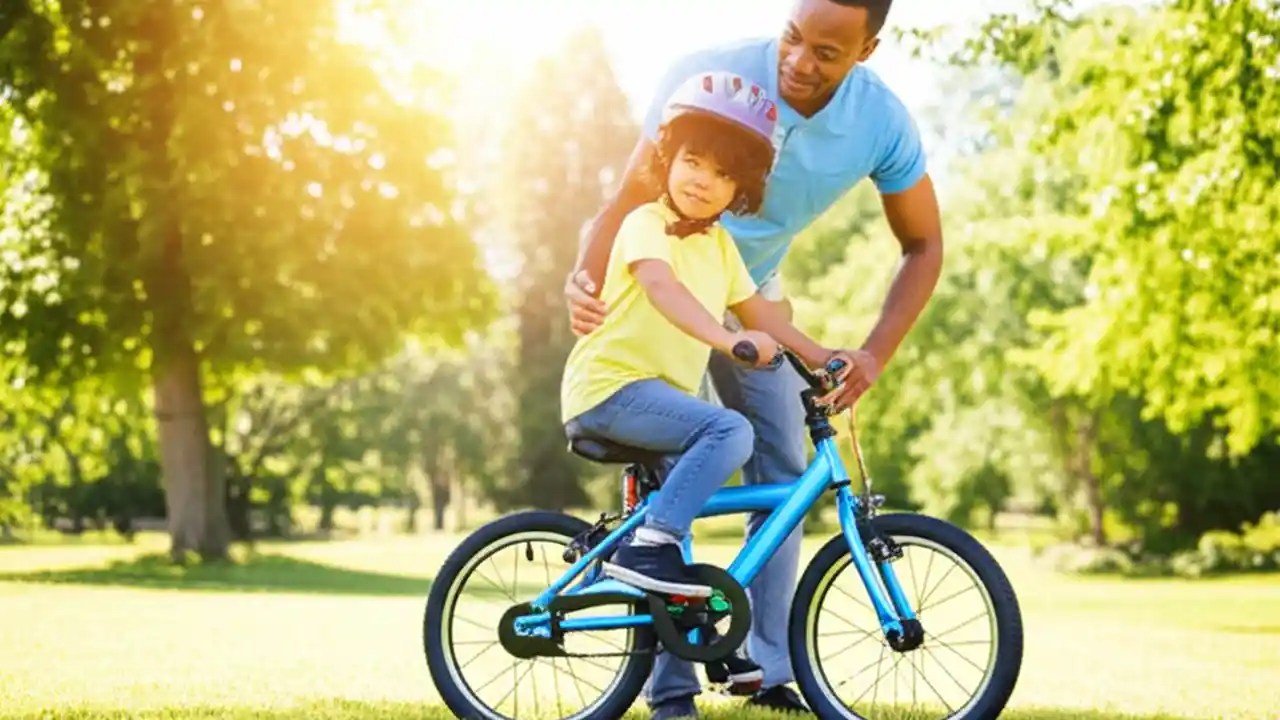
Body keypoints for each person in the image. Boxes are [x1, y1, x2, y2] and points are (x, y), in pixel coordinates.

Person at [565, 1, 944, 717]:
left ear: (868, 49)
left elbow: (924, 245)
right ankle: (666, 668)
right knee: (690, 462)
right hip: (662, 290)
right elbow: (629, 201)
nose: (799, 63)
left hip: (744, 285)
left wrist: (858, 355)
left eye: (827, 54)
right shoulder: (706, 78)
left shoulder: (882, 124)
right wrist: (584, 278)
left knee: (786, 473)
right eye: (792, 39)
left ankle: (761, 669)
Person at [560, 69, 854, 694]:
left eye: (723, 175)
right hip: (611, 388)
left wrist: (823, 354)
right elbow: (663, 290)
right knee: (730, 429)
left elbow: (762, 314)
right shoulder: (646, 222)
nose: (703, 180)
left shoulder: (721, 249)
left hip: (656, 403)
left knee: (679, 528)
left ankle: (687, 658)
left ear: (739, 190)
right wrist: (726, 341)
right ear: (668, 158)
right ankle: (647, 546)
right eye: (693, 161)